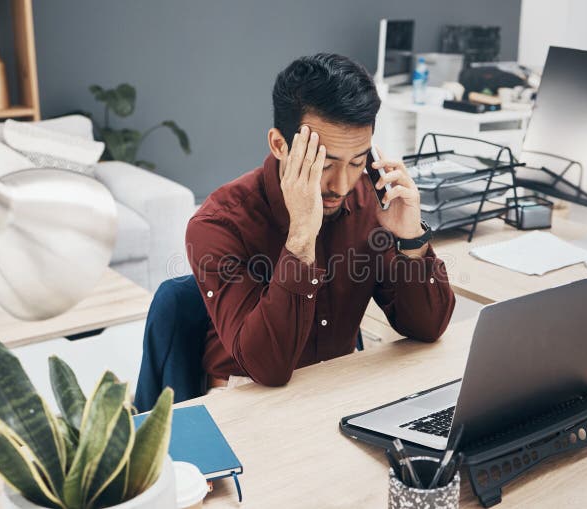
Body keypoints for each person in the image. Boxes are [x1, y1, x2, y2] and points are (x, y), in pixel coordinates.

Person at [138, 53, 455, 402]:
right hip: (243, 399)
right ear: (279, 145)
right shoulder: (219, 223)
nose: (342, 184)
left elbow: (427, 328)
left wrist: (411, 238)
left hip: (334, 392)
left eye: (357, 161)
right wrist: (302, 236)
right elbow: (269, 368)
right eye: (324, 163)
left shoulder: (370, 201)